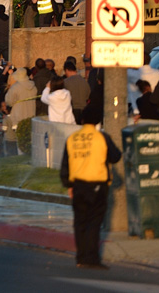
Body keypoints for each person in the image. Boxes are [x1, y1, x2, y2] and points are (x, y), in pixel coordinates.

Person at [60, 106, 122, 269]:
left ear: (81, 121)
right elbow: (116, 157)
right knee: (94, 221)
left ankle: (80, 257)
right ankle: (92, 258)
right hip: (98, 185)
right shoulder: (102, 137)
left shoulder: (72, 138)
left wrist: (69, 184)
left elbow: (65, 165)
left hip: (79, 185)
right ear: (98, 122)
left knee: (80, 221)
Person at [2, 68, 36, 156]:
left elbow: (9, 101)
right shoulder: (33, 87)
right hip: (31, 114)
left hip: (18, 115)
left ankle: (21, 156)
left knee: (19, 139)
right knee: (29, 138)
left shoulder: (15, 87)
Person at [63, 60, 90, 124]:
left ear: (66, 70)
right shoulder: (84, 82)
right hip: (84, 110)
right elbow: (88, 95)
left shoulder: (65, 82)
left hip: (71, 110)